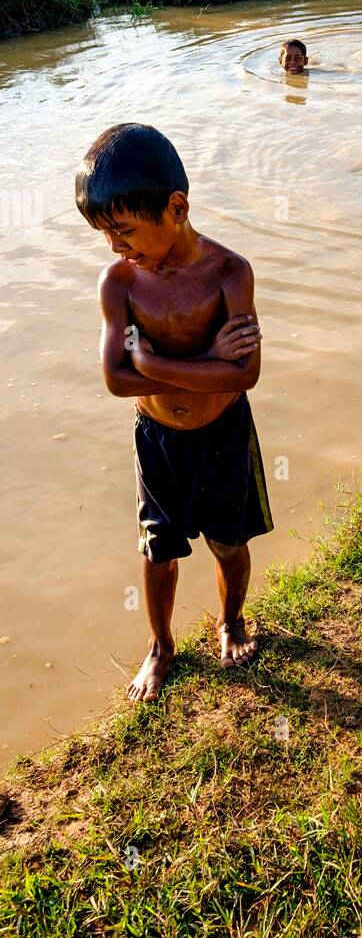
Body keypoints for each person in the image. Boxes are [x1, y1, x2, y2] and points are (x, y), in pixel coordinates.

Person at [75, 124, 273, 702]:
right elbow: (115, 378)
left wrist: (151, 360)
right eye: (104, 233)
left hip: (225, 432)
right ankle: (161, 645)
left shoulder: (229, 273)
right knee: (157, 548)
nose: (115, 245)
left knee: (230, 542)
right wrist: (205, 359)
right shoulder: (119, 283)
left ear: (177, 207)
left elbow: (246, 374)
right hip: (156, 436)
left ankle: (231, 619)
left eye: (124, 230)